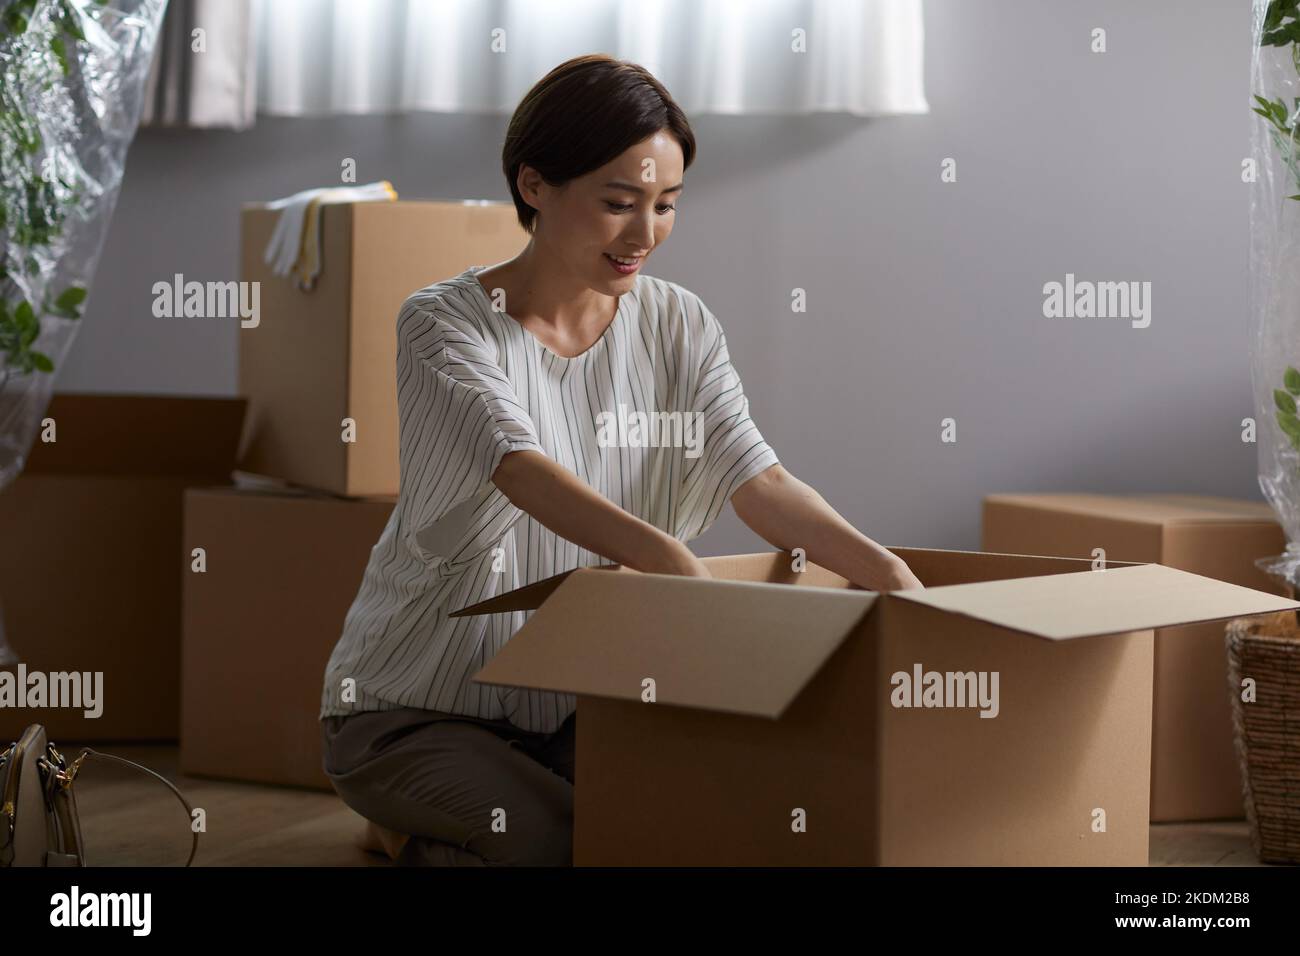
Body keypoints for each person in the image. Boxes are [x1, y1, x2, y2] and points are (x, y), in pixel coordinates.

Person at [318, 53, 924, 867]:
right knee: (557, 844)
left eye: (666, 206)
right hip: (413, 704)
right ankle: (402, 816)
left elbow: (761, 478)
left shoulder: (681, 324)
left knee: (684, 827)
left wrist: (894, 580)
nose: (645, 235)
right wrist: (673, 563)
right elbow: (520, 467)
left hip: (584, 699)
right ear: (535, 186)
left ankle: (449, 812)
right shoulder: (443, 323)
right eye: (617, 204)